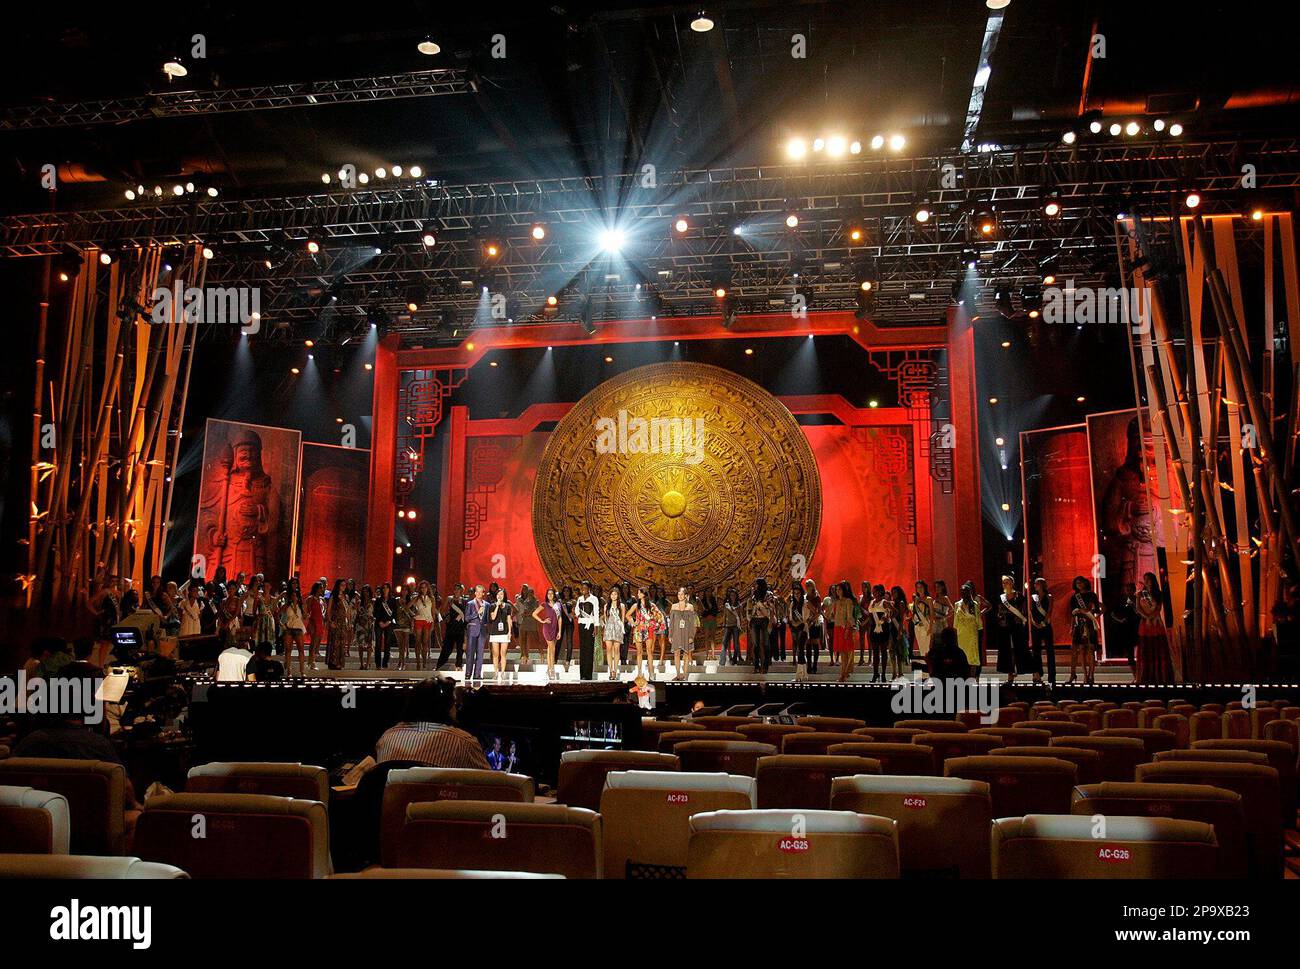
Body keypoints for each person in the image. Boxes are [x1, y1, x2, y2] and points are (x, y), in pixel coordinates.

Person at [373, 678, 490, 769]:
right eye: (455, 704)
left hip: (394, 800)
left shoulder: (386, 738)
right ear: (447, 707)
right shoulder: (463, 743)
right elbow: (492, 786)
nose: (456, 708)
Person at [1136, 572, 1174, 684]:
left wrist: (1151, 617)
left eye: (1149, 579)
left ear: (1153, 580)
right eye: (1145, 579)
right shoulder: (1140, 594)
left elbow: (1158, 609)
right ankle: (1145, 676)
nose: (1147, 581)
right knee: (1145, 648)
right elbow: (1138, 608)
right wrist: (1146, 617)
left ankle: (1160, 676)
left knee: (1158, 647)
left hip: (1156, 622)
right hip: (1145, 622)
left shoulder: (1159, 594)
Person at [995, 575, 1033, 685]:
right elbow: (999, 612)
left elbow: (1023, 611)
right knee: (1006, 650)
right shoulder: (1001, 597)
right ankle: (1010, 674)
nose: (1005, 584)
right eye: (1003, 582)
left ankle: (1033, 672)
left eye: (1007, 582)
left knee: (1022, 648)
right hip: (1005, 626)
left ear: (1012, 583)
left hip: (1017, 625)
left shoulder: (1019, 596)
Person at [1068, 575, 1102, 684]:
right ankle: (1085, 676)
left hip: (1090, 624)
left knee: (1091, 650)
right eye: (1077, 583)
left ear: (1085, 582)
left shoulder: (1092, 595)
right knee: (1082, 650)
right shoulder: (1074, 597)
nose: (1079, 584)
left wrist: (1090, 613)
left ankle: (1091, 675)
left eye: (1081, 582)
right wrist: (1072, 627)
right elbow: (1073, 613)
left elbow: (1096, 610)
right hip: (1079, 625)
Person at [1029, 577, 1056, 685]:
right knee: (1036, 651)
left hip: (1046, 626)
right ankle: (1038, 674)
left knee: (1050, 651)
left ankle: (1052, 677)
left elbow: (1049, 611)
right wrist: (1034, 623)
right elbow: (1030, 611)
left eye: (1037, 583)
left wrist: (1043, 624)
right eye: (1035, 583)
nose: (1035, 585)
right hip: (1036, 627)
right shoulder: (1033, 597)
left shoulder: (1049, 597)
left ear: (1043, 585)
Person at [669, 586, 699, 681]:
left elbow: (692, 623)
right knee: (676, 653)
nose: (680, 596)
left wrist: (691, 636)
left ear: (686, 595)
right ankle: (678, 674)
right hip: (676, 632)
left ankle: (685, 675)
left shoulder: (690, 607)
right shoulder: (674, 606)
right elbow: (671, 622)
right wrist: (670, 635)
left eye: (682, 594)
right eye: (678, 594)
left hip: (687, 633)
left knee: (686, 654)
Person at [1109, 582, 1139, 675]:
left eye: (1130, 589)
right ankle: (1135, 676)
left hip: (1137, 627)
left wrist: (1134, 605)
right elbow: (1113, 613)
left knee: (1140, 650)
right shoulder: (1121, 600)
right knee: (1130, 653)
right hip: (1126, 629)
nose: (1128, 591)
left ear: (1134, 590)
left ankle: (1142, 675)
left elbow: (1140, 612)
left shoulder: (1138, 599)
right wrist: (1120, 620)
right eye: (1127, 590)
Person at [953, 582, 983, 672]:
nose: (964, 593)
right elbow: (955, 621)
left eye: (966, 592)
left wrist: (980, 632)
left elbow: (978, 620)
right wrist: (955, 634)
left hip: (971, 633)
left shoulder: (974, 605)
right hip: (961, 633)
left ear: (969, 593)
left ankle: (972, 677)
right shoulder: (957, 604)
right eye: (962, 592)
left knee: (972, 656)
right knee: (962, 655)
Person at [533, 588, 561, 681]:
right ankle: (552, 669)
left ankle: (549, 668)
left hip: (555, 628)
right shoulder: (544, 604)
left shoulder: (558, 605)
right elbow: (534, 614)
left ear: (554, 595)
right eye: (548, 594)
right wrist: (542, 620)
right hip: (547, 628)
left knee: (550, 649)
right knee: (552, 648)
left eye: (551, 593)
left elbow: (560, 618)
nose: (550, 595)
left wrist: (560, 631)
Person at [278, 585, 308, 676]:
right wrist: (281, 624)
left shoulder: (302, 606)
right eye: (293, 595)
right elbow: (277, 614)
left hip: (298, 629)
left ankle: (302, 671)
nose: (294, 597)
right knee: (288, 650)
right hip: (289, 629)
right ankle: (289, 671)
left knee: (301, 650)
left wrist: (306, 615)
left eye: (296, 595)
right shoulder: (286, 606)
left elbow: (305, 616)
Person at [436, 583, 466, 671]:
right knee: (447, 648)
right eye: (455, 589)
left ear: (461, 590)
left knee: (460, 649)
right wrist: (445, 617)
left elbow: (466, 613)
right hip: (451, 626)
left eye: (458, 589)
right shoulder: (450, 599)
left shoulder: (464, 600)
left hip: (460, 626)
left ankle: (458, 666)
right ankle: (439, 665)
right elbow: (442, 611)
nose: (456, 590)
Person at [575, 581, 600, 680]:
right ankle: (582, 675)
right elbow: (577, 609)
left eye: (585, 588)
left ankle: (588, 674)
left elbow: (596, 613)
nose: (583, 590)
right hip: (581, 624)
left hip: (590, 625)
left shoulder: (594, 599)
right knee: (583, 649)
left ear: (589, 588)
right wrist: (577, 614)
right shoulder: (580, 599)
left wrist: (596, 626)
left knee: (589, 650)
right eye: (582, 588)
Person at [865, 584, 891, 682]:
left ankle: (883, 674)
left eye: (875, 591)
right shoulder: (872, 602)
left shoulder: (885, 602)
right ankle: (875, 674)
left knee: (884, 652)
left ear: (880, 591)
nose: (873, 593)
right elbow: (869, 614)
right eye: (873, 591)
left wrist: (888, 617)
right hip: (873, 629)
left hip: (883, 628)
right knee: (875, 652)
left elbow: (894, 612)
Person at [464, 584, 489, 680]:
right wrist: (476, 613)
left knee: (480, 654)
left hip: (482, 631)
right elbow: (466, 618)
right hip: (472, 630)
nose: (478, 593)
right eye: (477, 591)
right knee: (470, 653)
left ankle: (477, 674)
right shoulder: (470, 604)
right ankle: (468, 674)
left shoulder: (487, 604)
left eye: (480, 592)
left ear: (483, 593)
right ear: (475, 593)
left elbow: (486, 620)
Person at [411, 581, 436, 671]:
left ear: (427, 588)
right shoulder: (416, 598)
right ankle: (418, 662)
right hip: (418, 620)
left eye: (425, 587)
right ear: (420, 589)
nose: (423, 589)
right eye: (422, 587)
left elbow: (433, 612)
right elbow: (407, 607)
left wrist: (433, 623)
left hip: (428, 621)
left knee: (425, 642)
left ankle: (424, 662)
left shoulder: (431, 598)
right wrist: (413, 614)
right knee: (418, 642)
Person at [326, 578, 352, 670]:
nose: (344, 587)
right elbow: (328, 610)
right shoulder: (334, 596)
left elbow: (348, 611)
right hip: (336, 621)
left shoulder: (346, 597)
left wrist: (349, 622)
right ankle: (333, 662)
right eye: (342, 585)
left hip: (343, 623)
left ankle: (340, 663)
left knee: (342, 643)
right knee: (335, 643)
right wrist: (330, 621)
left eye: (345, 585)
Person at [487, 588, 513, 678]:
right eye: (498, 594)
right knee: (495, 654)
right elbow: (493, 617)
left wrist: (510, 631)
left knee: (503, 653)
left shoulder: (508, 606)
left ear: (504, 595)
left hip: (505, 632)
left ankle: (502, 673)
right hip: (494, 632)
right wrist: (497, 606)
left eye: (501, 594)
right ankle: (495, 672)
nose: (499, 596)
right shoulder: (492, 605)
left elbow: (509, 619)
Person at [602, 586, 625, 681]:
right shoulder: (606, 606)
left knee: (616, 650)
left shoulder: (622, 606)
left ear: (618, 595)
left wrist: (621, 629)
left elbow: (623, 619)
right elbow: (605, 618)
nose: (613, 595)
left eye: (615, 594)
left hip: (618, 629)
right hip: (609, 629)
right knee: (608, 650)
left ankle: (615, 670)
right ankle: (610, 670)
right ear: (610, 595)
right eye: (612, 594)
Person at [515, 585, 540, 670]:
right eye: (523, 589)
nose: (525, 591)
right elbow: (517, 609)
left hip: (530, 620)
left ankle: (527, 654)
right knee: (522, 638)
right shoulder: (519, 599)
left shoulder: (533, 600)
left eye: (526, 589)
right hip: (521, 620)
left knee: (529, 638)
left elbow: (535, 609)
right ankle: (523, 654)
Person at [373, 583, 397, 670]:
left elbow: (395, 613)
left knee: (387, 644)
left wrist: (389, 621)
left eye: (387, 588)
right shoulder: (378, 600)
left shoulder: (393, 600)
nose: (385, 589)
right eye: (384, 588)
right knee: (378, 644)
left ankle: (385, 663)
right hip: (379, 623)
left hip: (389, 623)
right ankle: (378, 664)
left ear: (389, 589)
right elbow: (375, 612)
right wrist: (380, 622)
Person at [910, 581, 933, 662]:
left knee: (925, 648)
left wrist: (930, 627)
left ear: (924, 588)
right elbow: (913, 613)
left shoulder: (928, 599)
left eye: (921, 587)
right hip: (917, 626)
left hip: (926, 625)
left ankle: (927, 668)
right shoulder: (916, 599)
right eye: (918, 587)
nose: (919, 589)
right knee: (921, 648)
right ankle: (924, 669)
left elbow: (931, 614)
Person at [354, 585, 375, 671]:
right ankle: (362, 663)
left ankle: (368, 663)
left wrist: (373, 619)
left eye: (367, 591)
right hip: (361, 624)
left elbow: (375, 613)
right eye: (364, 591)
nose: (365, 593)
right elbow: (357, 614)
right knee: (360, 645)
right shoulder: (359, 602)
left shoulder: (373, 601)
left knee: (369, 645)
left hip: (369, 624)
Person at [721, 588, 743, 666]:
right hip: (728, 625)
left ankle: (735, 658)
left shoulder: (739, 605)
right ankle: (722, 661)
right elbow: (725, 615)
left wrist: (741, 624)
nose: (732, 596)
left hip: (735, 626)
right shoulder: (727, 605)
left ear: (736, 596)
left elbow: (740, 616)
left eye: (734, 595)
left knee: (736, 643)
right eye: (731, 595)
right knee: (724, 643)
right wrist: (723, 624)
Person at [698, 587, 719, 662]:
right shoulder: (702, 601)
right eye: (707, 591)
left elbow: (716, 610)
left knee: (713, 638)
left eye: (710, 592)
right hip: (706, 620)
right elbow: (702, 611)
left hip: (713, 620)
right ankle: (707, 654)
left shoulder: (713, 600)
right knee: (706, 637)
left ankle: (713, 654)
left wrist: (709, 609)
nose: (708, 593)